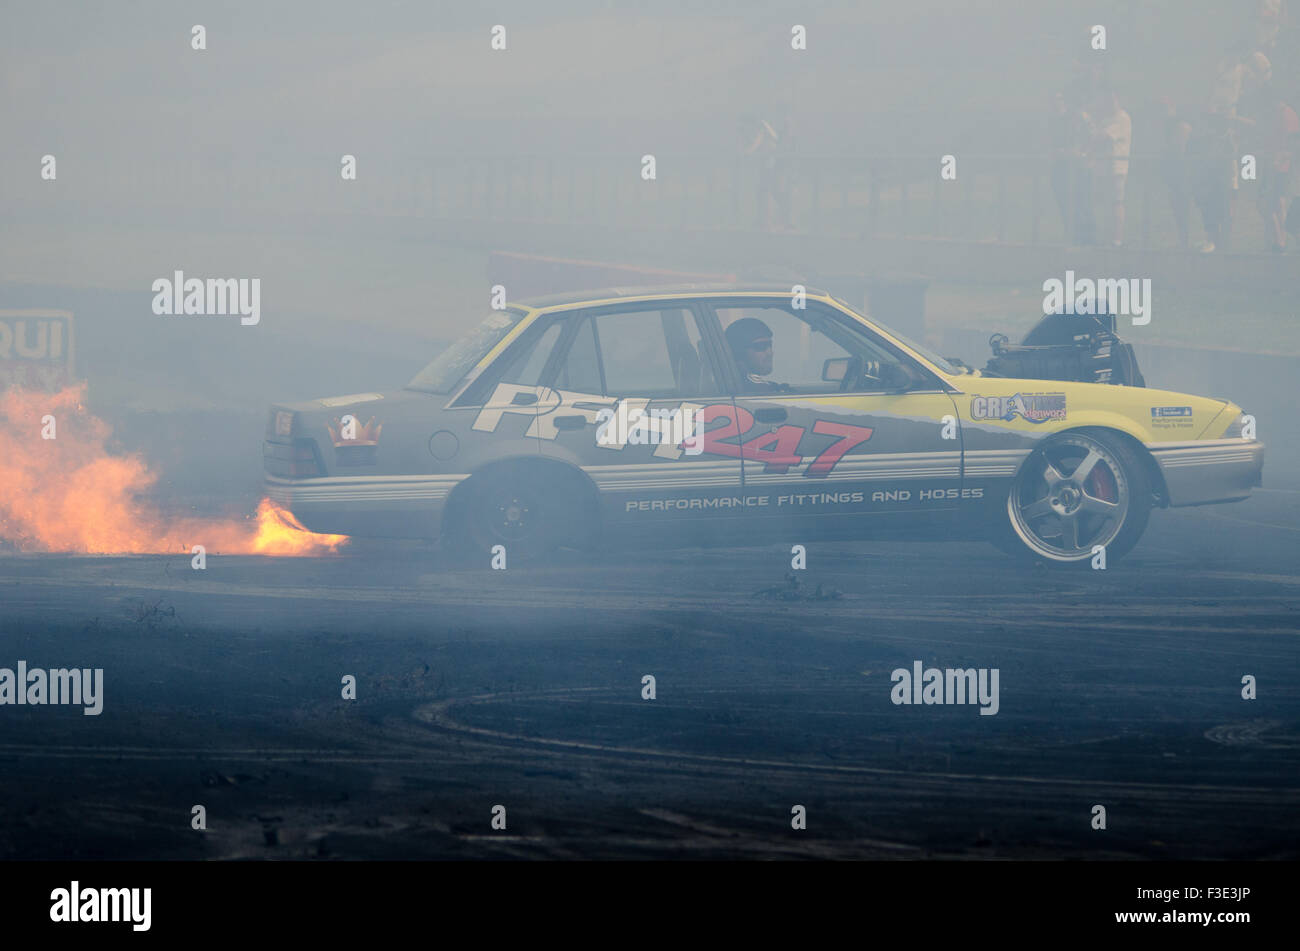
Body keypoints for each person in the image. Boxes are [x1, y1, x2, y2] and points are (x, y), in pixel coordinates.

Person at [724, 317, 790, 393]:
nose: (770, 352)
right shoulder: (755, 389)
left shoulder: (735, 382)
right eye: (761, 346)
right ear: (739, 353)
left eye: (770, 345)